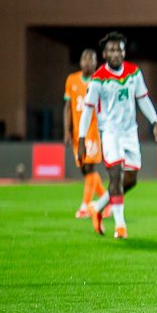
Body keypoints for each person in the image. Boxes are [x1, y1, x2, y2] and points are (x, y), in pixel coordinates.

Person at [78, 32, 157, 239]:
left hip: (130, 132)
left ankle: (97, 207)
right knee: (115, 176)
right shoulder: (98, 79)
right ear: (105, 54)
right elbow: (88, 109)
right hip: (110, 133)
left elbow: (143, 99)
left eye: (119, 49)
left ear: (124, 52)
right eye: (111, 50)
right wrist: (82, 139)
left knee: (131, 180)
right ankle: (120, 226)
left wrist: (155, 123)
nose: (116, 53)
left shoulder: (134, 73)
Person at [63, 49, 107, 218]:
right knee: (84, 169)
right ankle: (105, 200)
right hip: (77, 132)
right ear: (80, 62)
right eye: (85, 59)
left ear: (96, 63)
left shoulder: (100, 81)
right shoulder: (71, 80)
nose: (88, 62)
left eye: (91, 59)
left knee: (89, 167)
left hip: (93, 131)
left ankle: (85, 206)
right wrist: (67, 131)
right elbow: (67, 107)